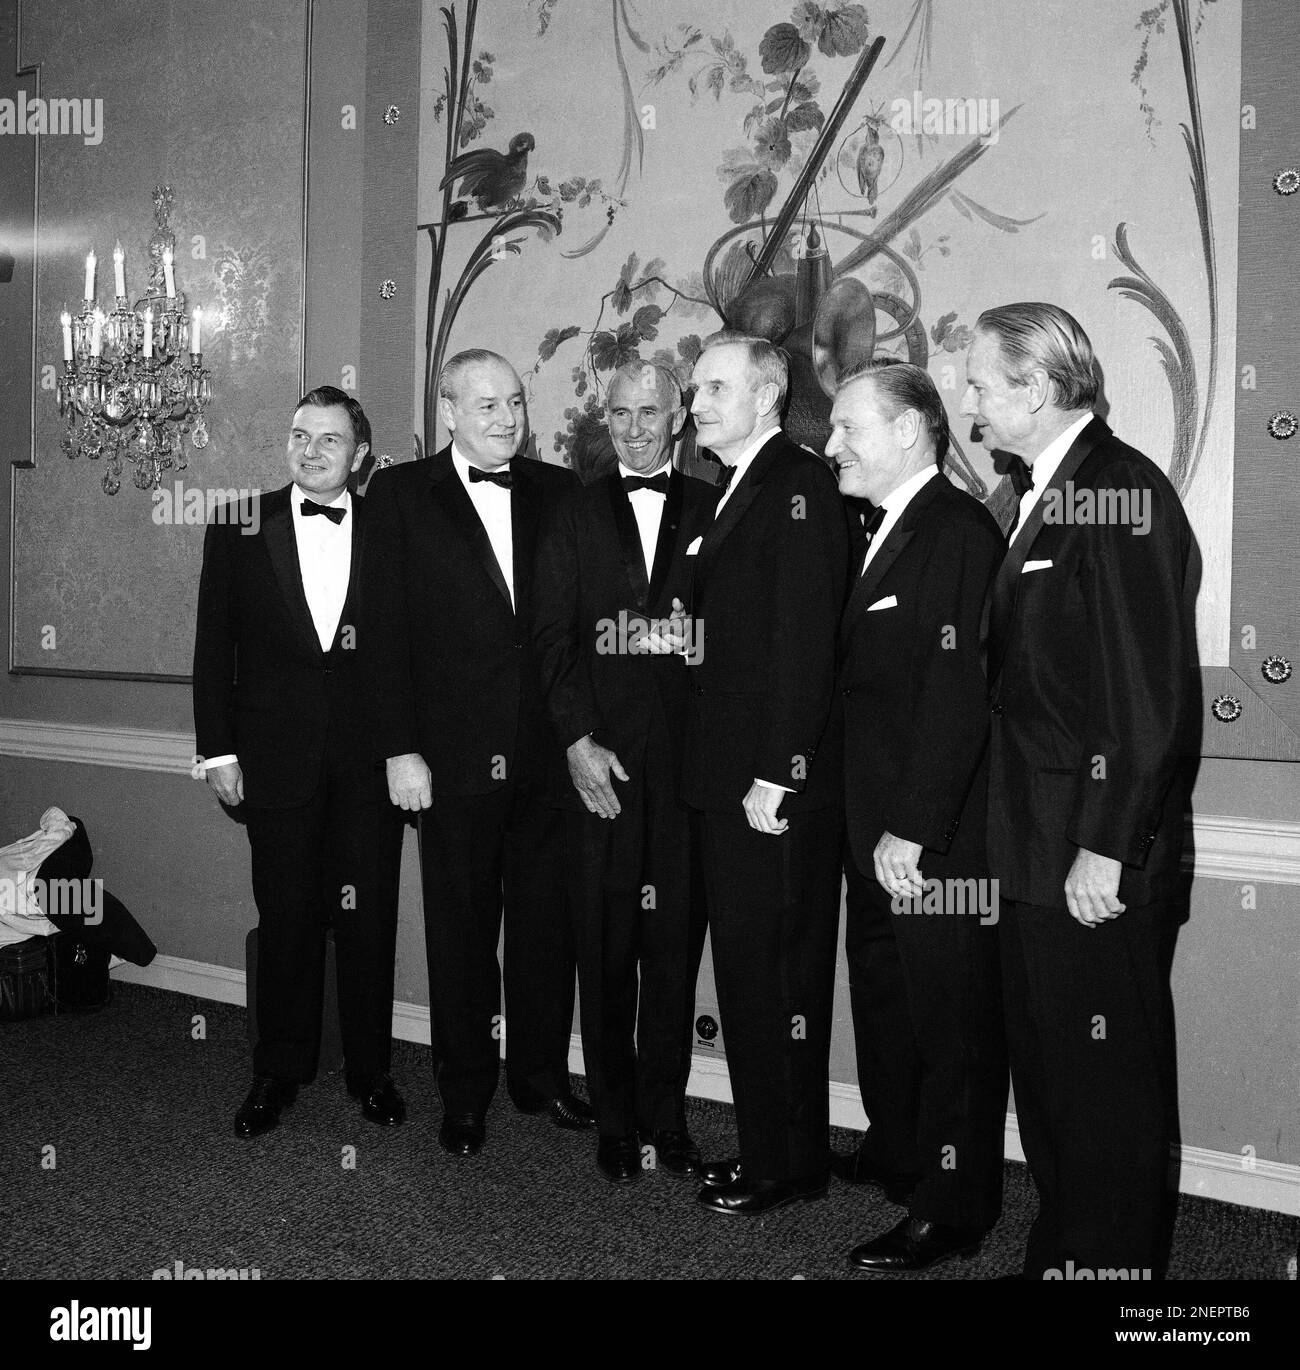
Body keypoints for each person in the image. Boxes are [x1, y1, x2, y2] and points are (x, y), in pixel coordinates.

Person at [963, 302, 1194, 1279]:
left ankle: (1109, 1272)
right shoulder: (1042, 497)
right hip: (1030, 849)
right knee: (1053, 1080)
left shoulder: (1119, 491)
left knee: (1104, 1090)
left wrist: (1107, 842)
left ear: (1037, 386)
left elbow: (1147, 693)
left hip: (1090, 856)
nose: (968, 406)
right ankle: (1065, 1254)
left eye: (980, 384)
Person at [358, 349, 591, 1158]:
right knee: (460, 932)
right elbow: (379, 634)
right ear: (448, 410)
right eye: (486, 404)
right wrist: (400, 750)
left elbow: (576, 631)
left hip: (546, 758)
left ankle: (539, 1076)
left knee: (544, 926)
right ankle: (464, 1093)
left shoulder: (561, 491)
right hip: (448, 761)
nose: (506, 418)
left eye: (516, 403)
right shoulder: (396, 494)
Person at [827, 359, 1008, 1272]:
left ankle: (953, 1206)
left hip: (932, 839)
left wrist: (915, 827)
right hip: (876, 831)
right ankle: (897, 1150)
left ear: (908, 430)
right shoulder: (885, 527)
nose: (831, 446)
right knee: (888, 999)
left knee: (952, 1025)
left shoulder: (959, 531)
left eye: (847, 428)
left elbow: (960, 694)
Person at [193, 385, 405, 1138]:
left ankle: (371, 1071)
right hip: (272, 763)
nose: (310, 450)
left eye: (329, 439)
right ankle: (276, 1070)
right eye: (299, 436)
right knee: (284, 919)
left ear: (359, 455)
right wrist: (216, 751)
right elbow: (214, 650)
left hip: (369, 769)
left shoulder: (391, 527)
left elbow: (410, 655)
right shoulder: (238, 523)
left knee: (367, 921)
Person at [533, 361, 717, 1184]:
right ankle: (614, 1119)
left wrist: (694, 641)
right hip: (597, 769)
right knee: (604, 950)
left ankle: (664, 1119)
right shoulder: (571, 511)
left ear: (679, 418)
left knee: (672, 953)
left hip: (685, 773)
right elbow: (550, 640)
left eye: (652, 411)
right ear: (604, 423)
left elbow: (741, 637)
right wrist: (576, 742)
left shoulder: (719, 506)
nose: (637, 427)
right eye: (622, 414)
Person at [681, 332, 849, 1215]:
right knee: (749, 976)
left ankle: (788, 1166)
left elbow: (807, 643)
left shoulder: (800, 484)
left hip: (770, 792)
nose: (696, 402)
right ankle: (767, 1149)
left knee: (778, 978)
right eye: (696, 388)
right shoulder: (735, 488)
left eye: (714, 386)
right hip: (729, 784)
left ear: (768, 394)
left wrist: (778, 777)